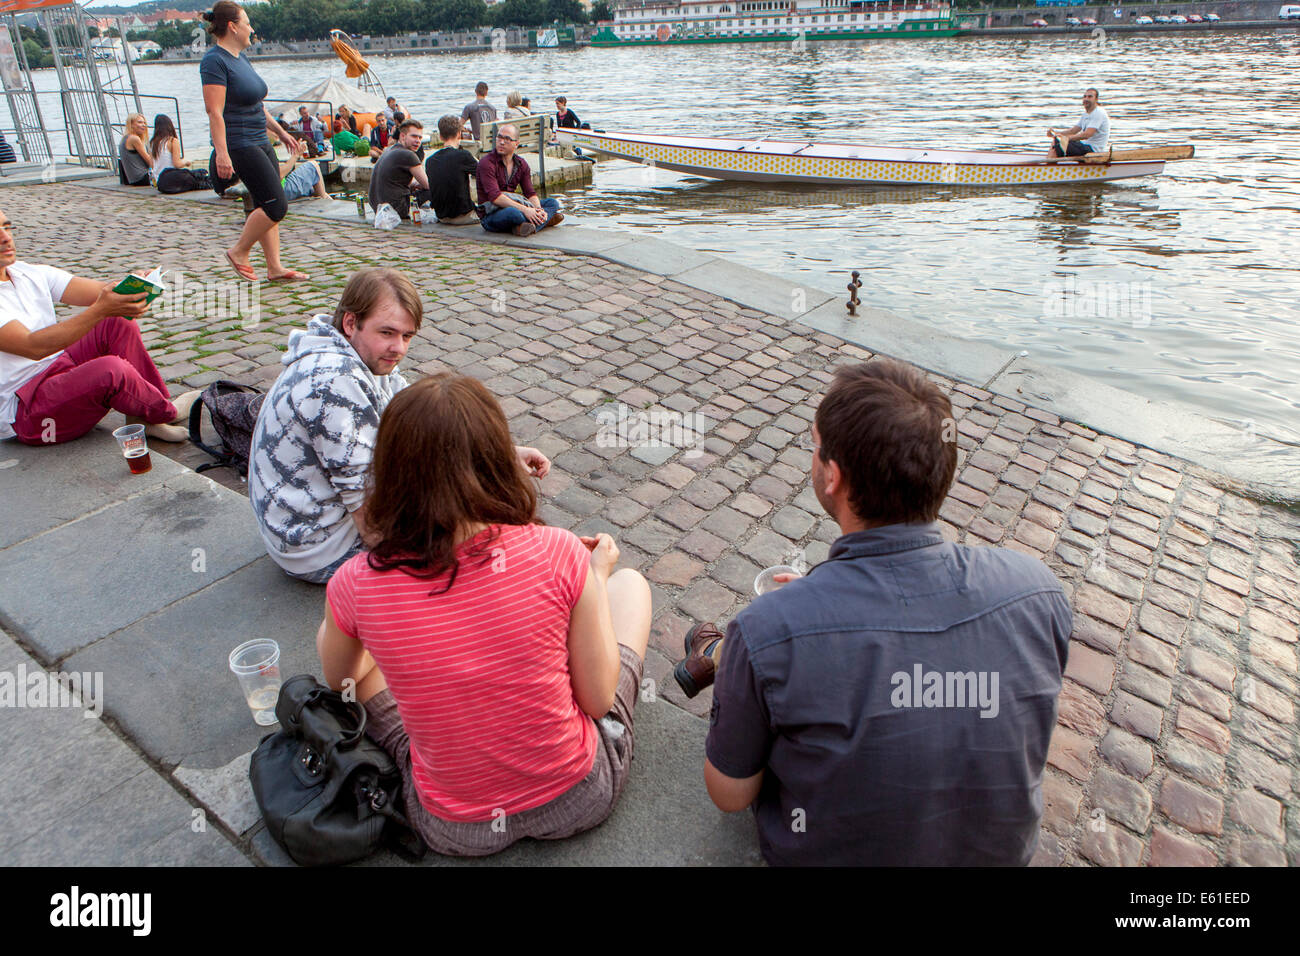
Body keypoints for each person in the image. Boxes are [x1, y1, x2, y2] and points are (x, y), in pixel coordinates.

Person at [678, 359, 1072, 866]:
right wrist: (823, 607)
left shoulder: (767, 629)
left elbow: (729, 794)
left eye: (815, 447)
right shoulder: (1039, 592)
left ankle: (718, 658)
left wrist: (800, 623)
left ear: (834, 477)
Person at [316, 372, 649, 857]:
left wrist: (402, 640)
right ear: (498, 458)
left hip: (455, 826)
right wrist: (594, 579)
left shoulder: (355, 583)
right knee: (631, 586)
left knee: (347, 651)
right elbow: (595, 701)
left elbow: (341, 681)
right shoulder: (558, 551)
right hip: (578, 796)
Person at [0, 207, 197, 446]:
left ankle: (147, 416)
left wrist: (131, 286)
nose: (5, 237)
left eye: (7, 227)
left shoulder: (26, 273)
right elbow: (33, 347)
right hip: (27, 413)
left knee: (115, 322)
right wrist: (101, 309)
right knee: (111, 370)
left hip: (56, 369)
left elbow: (100, 293)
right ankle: (167, 412)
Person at [200, 1, 308, 282]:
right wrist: (222, 153)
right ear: (233, 27)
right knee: (276, 206)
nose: (252, 28)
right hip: (240, 143)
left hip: (260, 138)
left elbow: (257, 105)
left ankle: (274, 267)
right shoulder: (214, 61)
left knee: (264, 201)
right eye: (247, 23)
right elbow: (214, 111)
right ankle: (239, 251)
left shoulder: (240, 58)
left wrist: (282, 132)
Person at [476, 123, 563, 237]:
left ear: (516, 144)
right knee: (514, 214)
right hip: (491, 214)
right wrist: (526, 210)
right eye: (499, 138)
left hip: (514, 205)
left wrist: (538, 210)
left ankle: (523, 227)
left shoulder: (521, 164)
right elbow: (495, 197)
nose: (501, 142)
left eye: (507, 139)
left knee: (552, 203)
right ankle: (544, 222)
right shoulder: (486, 163)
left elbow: (530, 193)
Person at [368, 119, 430, 220]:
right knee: (434, 189)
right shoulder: (409, 155)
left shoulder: (389, 150)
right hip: (396, 209)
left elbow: (393, 182)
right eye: (414, 136)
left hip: (377, 206)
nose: (418, 141)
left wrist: (414, 184)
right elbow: (427, 185)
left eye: (420, 137)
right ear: (402, 136)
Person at [424, 115, 479, 225]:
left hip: (441, 216)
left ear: (440, 136)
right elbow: (484, 174)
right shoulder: (463, 156)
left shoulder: (430, 160)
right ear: (459, 134)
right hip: (463, 215)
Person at [1046, 87, 1110, 159]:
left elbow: (1087, 134)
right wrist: (1056, 134)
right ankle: (1052, 163)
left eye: (1090, 97)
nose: (1086, 99)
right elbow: (1073, 131)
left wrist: (1066, 138)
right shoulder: (1085, 114)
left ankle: (1048, 165)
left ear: (1096, 99)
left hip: (1093, 150)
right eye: (1085, 97)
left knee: (1058, 143)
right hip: (1086, 146)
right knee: (1057, 141)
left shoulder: (1099, 113)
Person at [148, 114, 204, 193]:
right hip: (171, 178)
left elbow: (151, 164)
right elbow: (177, 164)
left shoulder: (153, 143)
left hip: (158, 181)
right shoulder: (172, 141)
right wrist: (185, 162)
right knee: (200, 173)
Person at [119, 113, 152, 186]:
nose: (143, 125)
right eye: (140, 122)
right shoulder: (134, 138)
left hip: (133, 179)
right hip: (141, 177)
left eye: (144, 123)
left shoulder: (125, 138)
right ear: (131, 125)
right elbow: (150, 162)